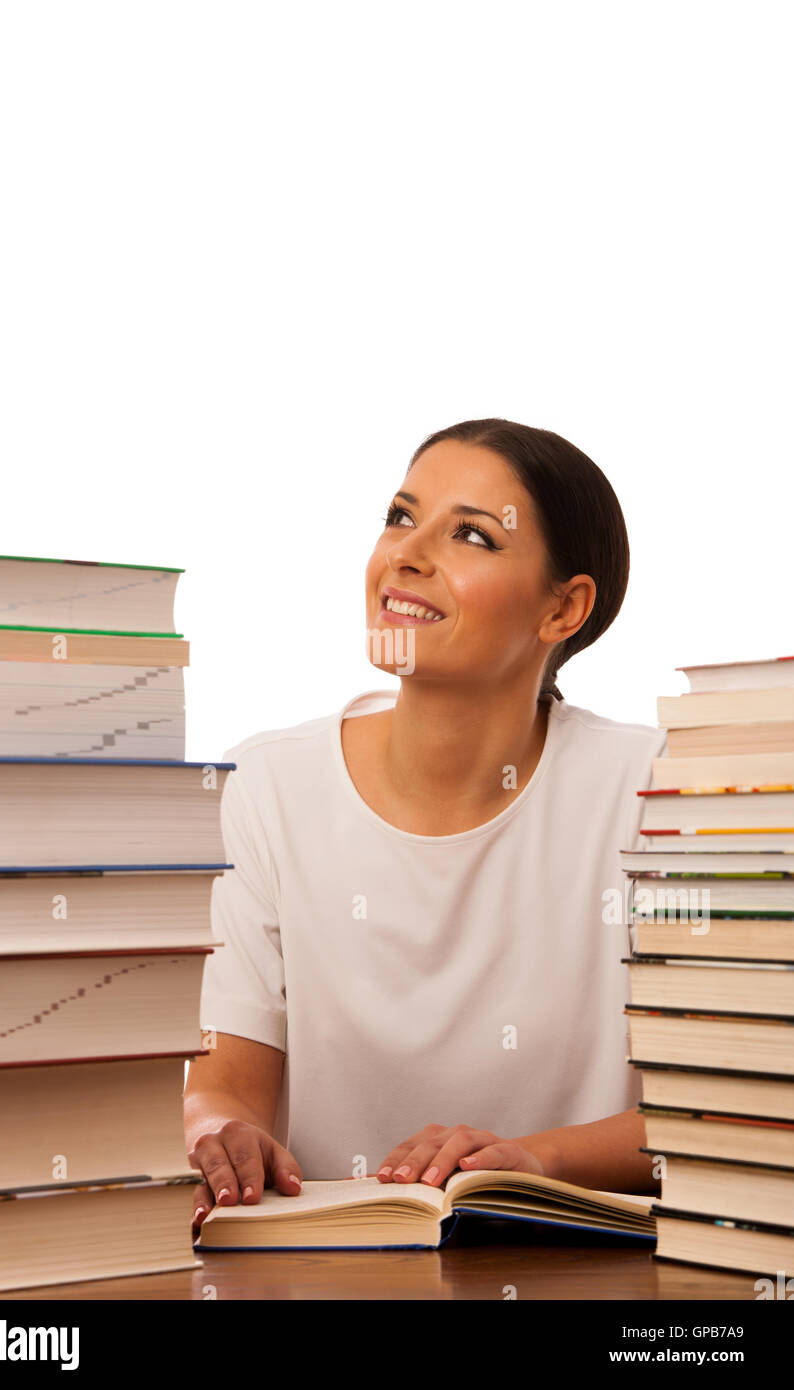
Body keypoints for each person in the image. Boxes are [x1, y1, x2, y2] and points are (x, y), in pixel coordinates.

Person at [184, 416, 666, 1236]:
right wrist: (219, 1134)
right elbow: (230, 1075)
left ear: (564, 609)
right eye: (402, 517)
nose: (405, 554)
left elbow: (731, 1111)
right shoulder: (265, 786)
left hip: (589, 1277)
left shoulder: (653, 795)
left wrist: (535, 1161)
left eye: (471, 535)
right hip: (319, 1276)